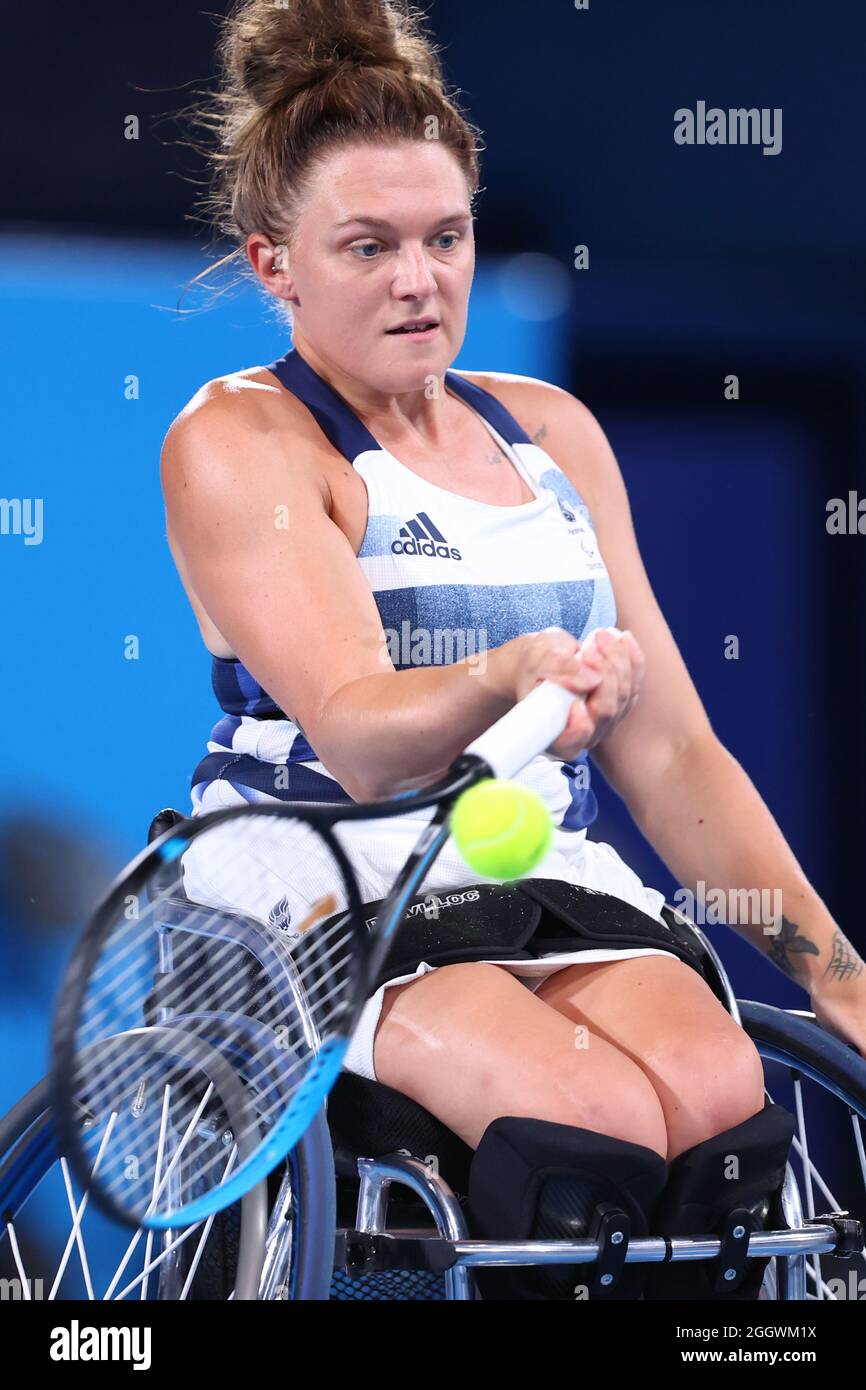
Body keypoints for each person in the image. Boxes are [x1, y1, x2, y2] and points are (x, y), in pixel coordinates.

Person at [160, 0, 864, 1297]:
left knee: (719, 1102)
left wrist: (838, 974)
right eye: (365, 246)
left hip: (533, 867)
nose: (417, 281)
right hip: (323, 889)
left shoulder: (552, 434)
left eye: (444, 236)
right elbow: (362, 735)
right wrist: (506, 670)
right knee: (579, 1132)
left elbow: (674, 756)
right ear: (276, 265)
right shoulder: (240, 441)